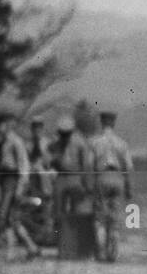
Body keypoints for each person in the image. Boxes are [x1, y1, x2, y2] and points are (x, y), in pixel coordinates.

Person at [88, 111, 134, 261]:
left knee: (100, 217)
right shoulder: (122, 143)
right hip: (118, 178)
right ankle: (113, 253)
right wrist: (128, 187)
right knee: (115, 218)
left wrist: (90, 185)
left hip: (102, 177)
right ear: (113, 123)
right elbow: (128, 167)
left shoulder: (94, 142)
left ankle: (100, 252)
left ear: (102, 122)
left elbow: (89, 165)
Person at [0, 114, 40, 260]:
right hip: (5, 180)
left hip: (13, 181)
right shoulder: (4, 143)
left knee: (7, 215)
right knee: (10, 218)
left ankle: (16, 250)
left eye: (0, 125)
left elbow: (24, 165)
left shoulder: (16, 142)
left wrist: (20, 187)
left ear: (6, 126)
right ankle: (30, 247)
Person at [51, 115, 94, 243]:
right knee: (58, 210)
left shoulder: (80, 143)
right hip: (61, 178)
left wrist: (88, 185)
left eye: (67, 133)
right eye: (62, 133)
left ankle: (76, 241)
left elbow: (86, 165)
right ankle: (59, 239)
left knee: (78, 210)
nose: (64, 136)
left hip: (76, 178)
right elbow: (49, 162)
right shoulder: (55, 144)